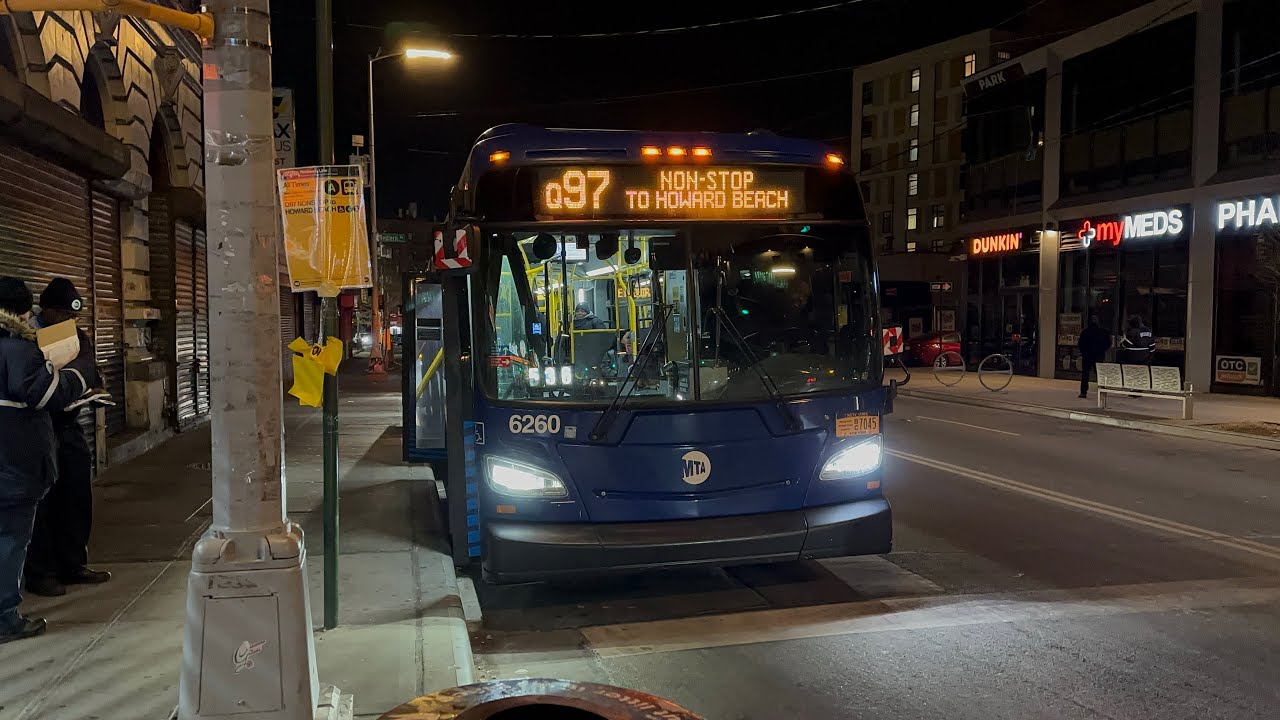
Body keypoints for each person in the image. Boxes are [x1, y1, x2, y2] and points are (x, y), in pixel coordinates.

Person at [0, 277, 98, 645]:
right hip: (13, 462)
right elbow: (49, 395)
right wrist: (79, 374)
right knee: (12, 539)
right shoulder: (16, 349)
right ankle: (5, 616)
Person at [24, 279, 112, 597]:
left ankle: (72, 564)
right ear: (45, 308)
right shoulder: (25, 336)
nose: (67, 321)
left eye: (71, 316)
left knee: (75, 496)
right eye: (61, 313)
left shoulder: (77, 336)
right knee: (42, 504)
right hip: (38, 427)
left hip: (69, 427)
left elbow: (88, 368)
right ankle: (41, 573)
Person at [1076, 314, 1111, 399]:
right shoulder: (1103, 332)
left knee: (1085, 374)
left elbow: (1080, 344)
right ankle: (1102, 389)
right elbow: (1108, 343)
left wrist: (1083, 351)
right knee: (1099, 373)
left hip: (1087, 355)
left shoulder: (1085, 332)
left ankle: (1083, 392)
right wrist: (1102, 350)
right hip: (1099, 355)